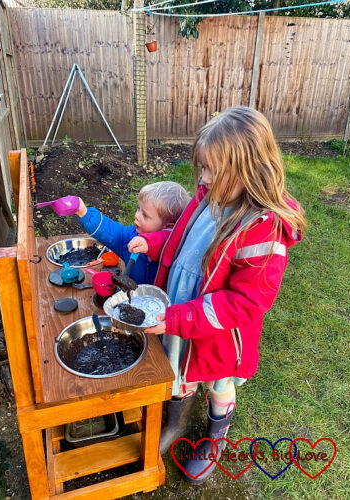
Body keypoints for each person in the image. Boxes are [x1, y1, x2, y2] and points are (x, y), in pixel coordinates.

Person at [128, 106, 306, 483]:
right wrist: (154, 243)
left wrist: (178, 318)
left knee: (218, 383)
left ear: (246, 170)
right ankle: (175, 424)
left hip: (217, 335)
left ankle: (215, 435)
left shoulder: (263, 231)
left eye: (210, 169)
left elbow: (245, 302)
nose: (203, 178)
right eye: (203, 168)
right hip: (179, 311)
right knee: (178, 371)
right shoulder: (210, 195)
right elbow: (182, 242)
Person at [74, 181, 190, 284]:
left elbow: (169, 239)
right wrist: (85, 213)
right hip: (132, 299)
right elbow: (110, 232)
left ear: (168, 226)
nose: (136, 216)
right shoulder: (130, 237)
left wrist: (149, 243)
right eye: (138, 208)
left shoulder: (174, 249)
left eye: (145, 215)